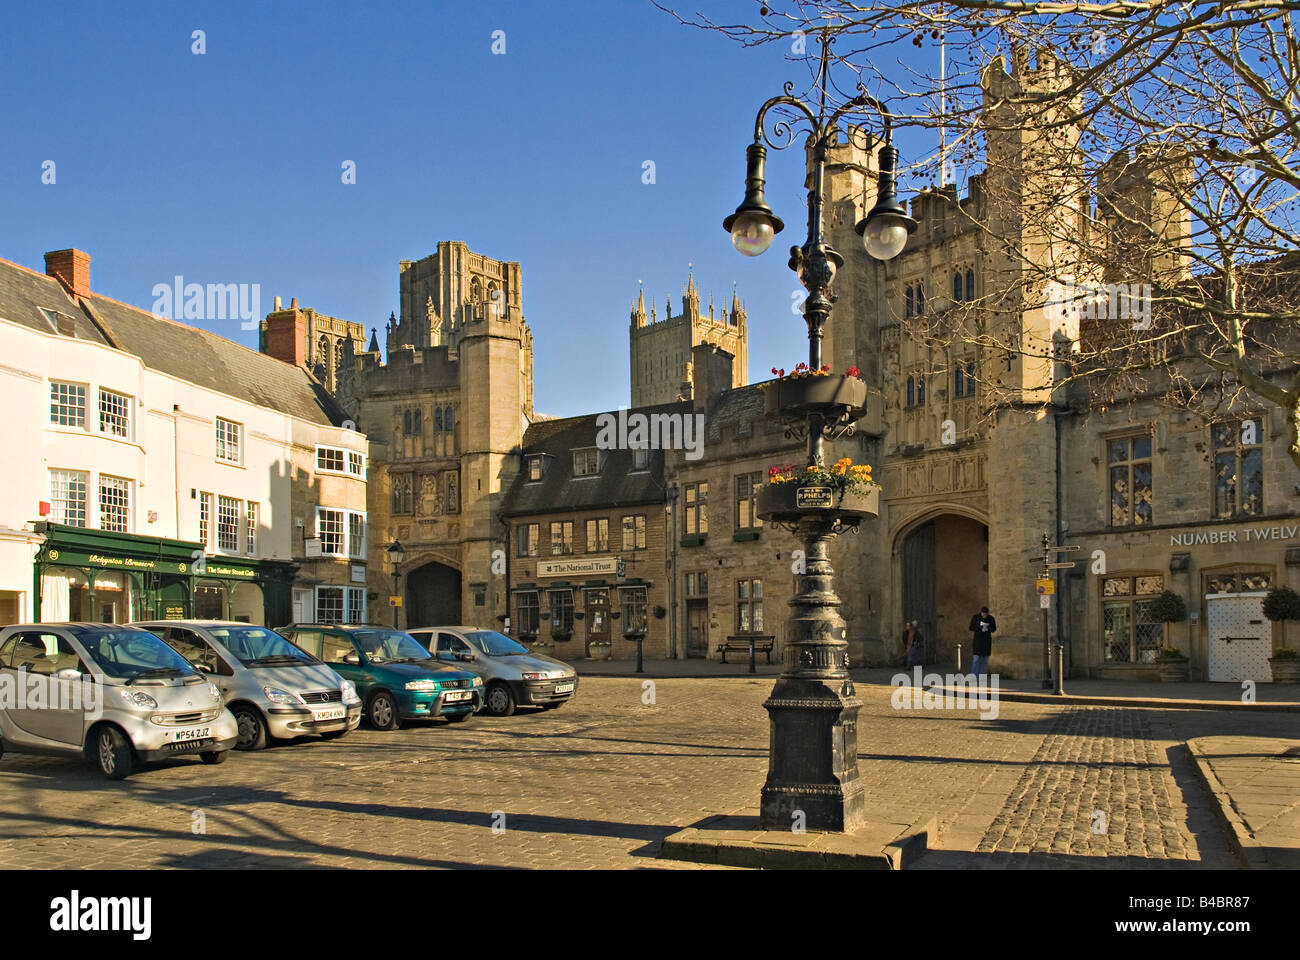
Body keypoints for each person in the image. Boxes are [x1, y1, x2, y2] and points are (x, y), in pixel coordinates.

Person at [969, 606, 996, 677]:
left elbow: (994, 629)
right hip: (978, 641)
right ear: (981, 613)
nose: (984, 615)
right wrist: (978, 627)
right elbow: (971, 627)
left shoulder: (991, 618)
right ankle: (974, 676)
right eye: (983, 614)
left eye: (986, 614)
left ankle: (983, 677)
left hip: (986, 642)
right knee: (976, 659)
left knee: (985, 661)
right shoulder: (976, 618)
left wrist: (988, 627)